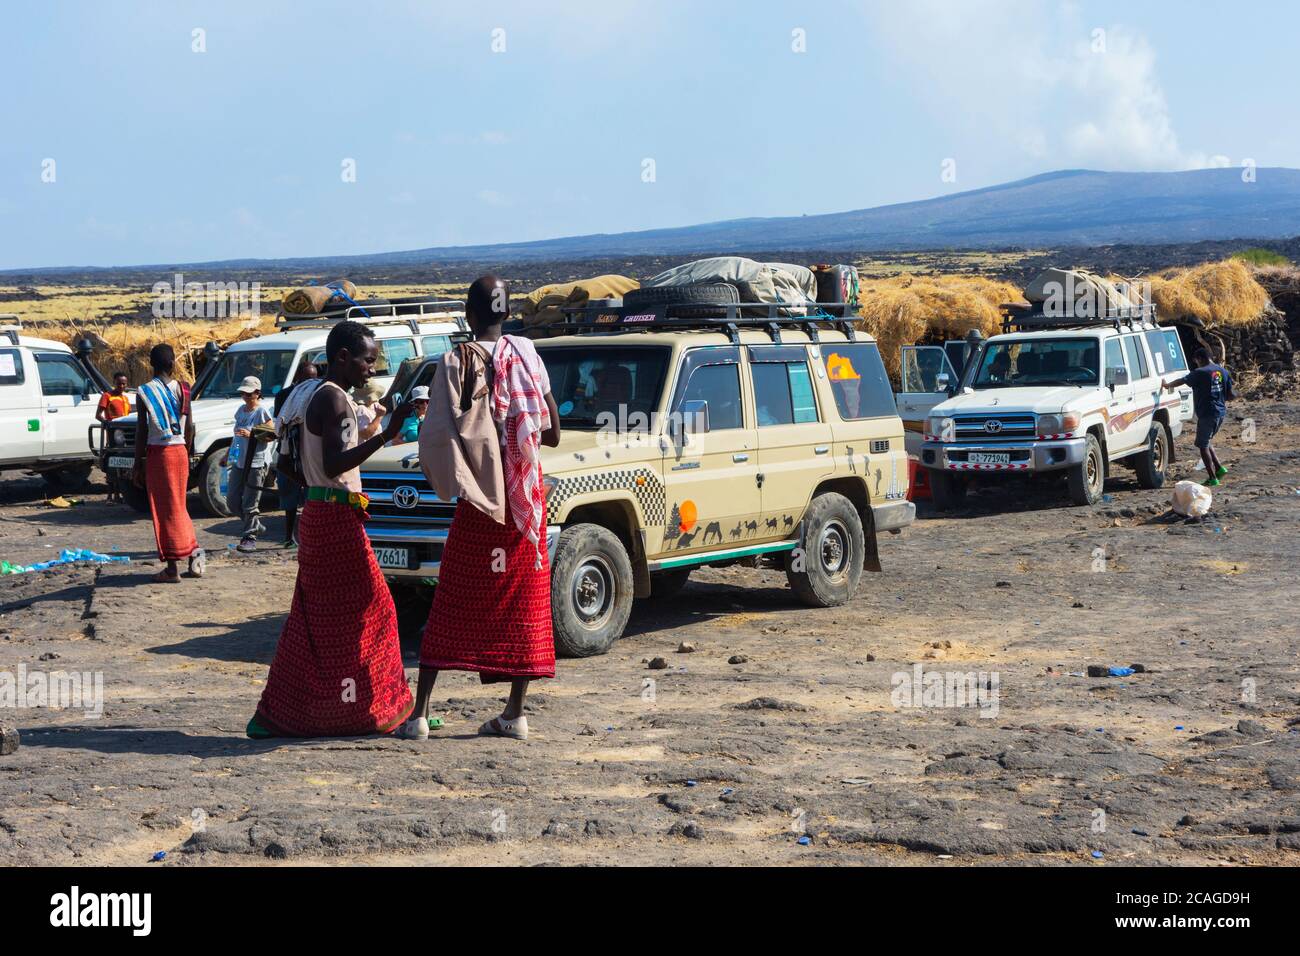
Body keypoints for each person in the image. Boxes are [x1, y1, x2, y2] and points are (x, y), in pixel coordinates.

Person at [400, 276, 561, 741]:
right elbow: (551, 432)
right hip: (526, 502)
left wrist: (465, 478)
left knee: (453, 599)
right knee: (524, 603)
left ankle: (419, 716)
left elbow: (435, 437)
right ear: (506, 313)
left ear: (468, 315)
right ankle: (515, 713)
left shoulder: (455, 361)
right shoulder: (529, 357)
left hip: (481, 504)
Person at [247, 321, 417, 738]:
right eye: (367, 360)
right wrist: (388, 435)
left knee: (314, 621)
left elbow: (287, 461)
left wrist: (315, 483)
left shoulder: (305, 396)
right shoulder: (337, 401)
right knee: (376, 612)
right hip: (338, 521)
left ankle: (284, 714)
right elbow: (340, 462)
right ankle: (376, 709)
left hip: (317, 515)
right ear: (343, 357)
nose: (371, 370)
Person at [132, 345, 202, 583]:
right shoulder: (184, 389)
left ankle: (172, 568)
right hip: (180, 452)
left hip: (160, 455)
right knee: (179, 506)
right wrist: (187, 450)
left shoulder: (144, 392)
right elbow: (190, 427)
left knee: (165, 510)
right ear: (173, 363)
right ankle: (193, 554)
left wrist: (137, 463)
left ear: (151, 364)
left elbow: (142, 430)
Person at [1162, 346, 1235, 487]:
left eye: (1196, 362)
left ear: (1200, 359)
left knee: (1202, 446)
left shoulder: (1200, 372)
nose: (1197, 364)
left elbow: (1182, 380)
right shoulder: (1222, 371)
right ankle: (1219, 468)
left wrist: (1167, 385)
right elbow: (1230, 394)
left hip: (1207, 413)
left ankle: (1212, 478)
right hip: (1220, 412)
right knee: (1207, 442)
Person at [222, 376, 272, 552]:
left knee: (250, 503)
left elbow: (271, 434)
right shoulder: (241, 411)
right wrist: (228, 454)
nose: (245, 396)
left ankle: (249, 537)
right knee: (232, 500)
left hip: (256, 462)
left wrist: (251, 434)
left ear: (257, 393)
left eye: (248, 393)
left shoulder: (261, 412)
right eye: (243, 393)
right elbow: (236, 435)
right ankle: (255, 525)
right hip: (240, 460)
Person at [272, 361, 319, 548]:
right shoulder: (284, 396)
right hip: (289, 452)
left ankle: (308, 537)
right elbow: (280, 423)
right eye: (307, 378)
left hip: (309, 455)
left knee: (311, 497)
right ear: (298, 377)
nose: (310, 382)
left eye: (313, 379)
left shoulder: (317, 395)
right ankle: (288, 536)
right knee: (288, 497)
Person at [96, 372, 131, 502]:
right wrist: (107, 423)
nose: (121, 386)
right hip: (113, 435)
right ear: (114, 383)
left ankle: (119, 494)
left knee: (122, 464)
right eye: (119, 383)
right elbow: (98, 415)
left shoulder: (125, 399)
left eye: (124, 384)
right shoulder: (107, 396)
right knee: (112, 465)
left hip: (125, 436)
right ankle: (111, 495)